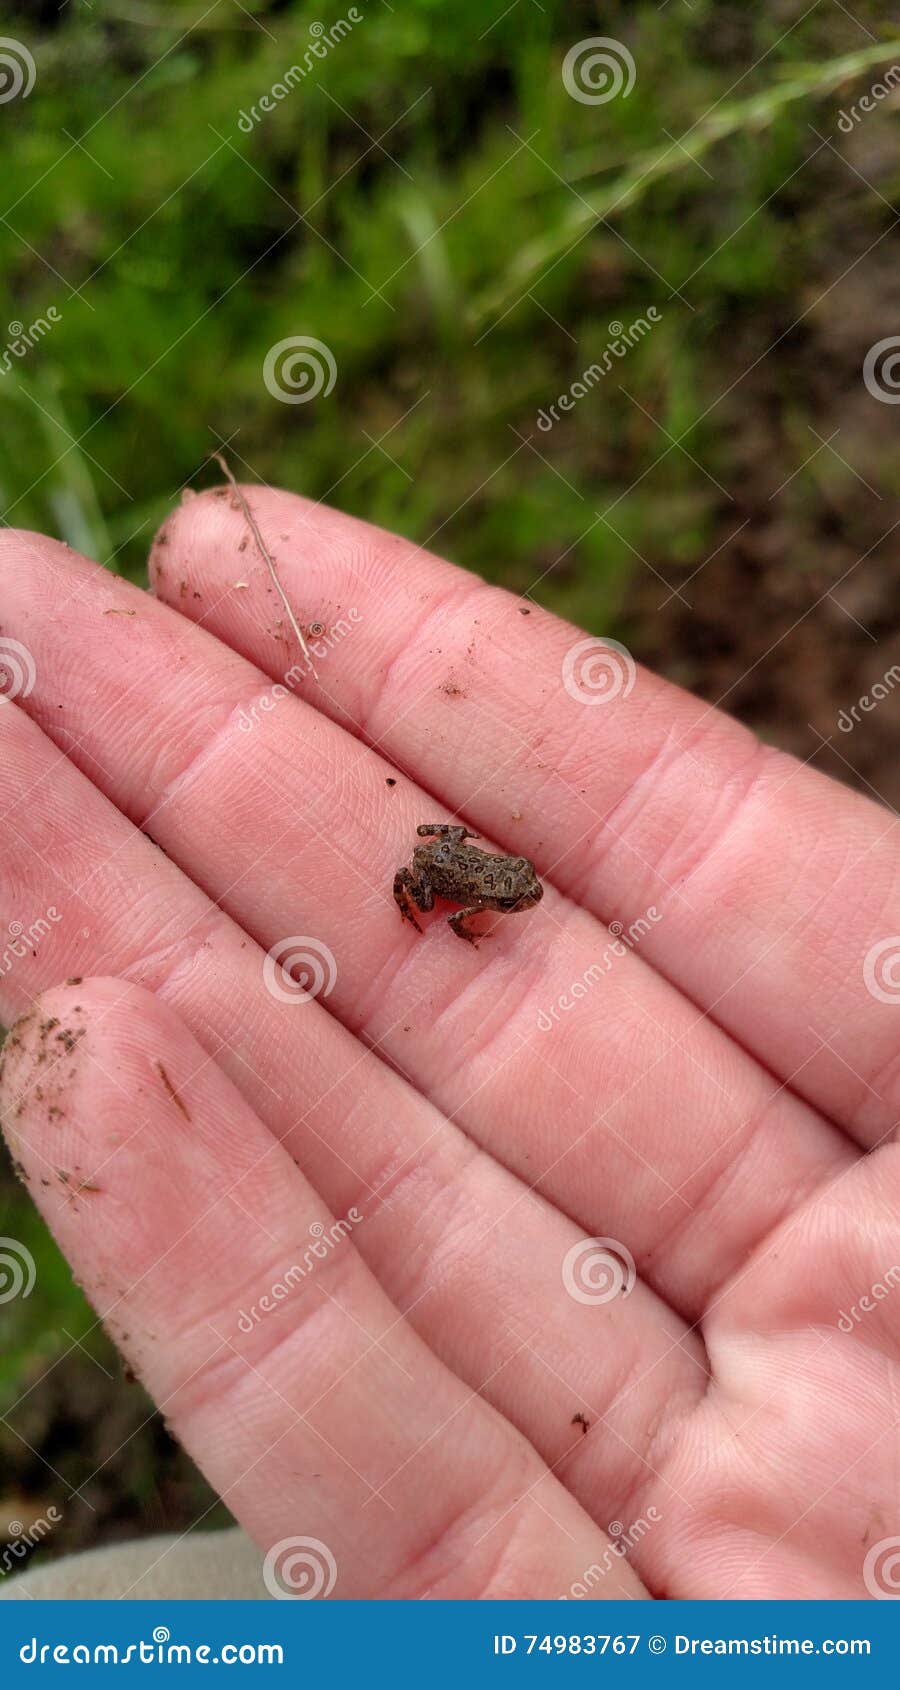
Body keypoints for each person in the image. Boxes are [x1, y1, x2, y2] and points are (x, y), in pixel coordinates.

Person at [0, 485, 897, 1601]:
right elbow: (442, 873)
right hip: (430, 867)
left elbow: (483, 882)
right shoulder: (476, 893)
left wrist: (477, 908)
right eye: (516, 899)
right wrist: (445, 914)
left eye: (517, 898)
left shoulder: (505, 895)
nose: (522, 902)